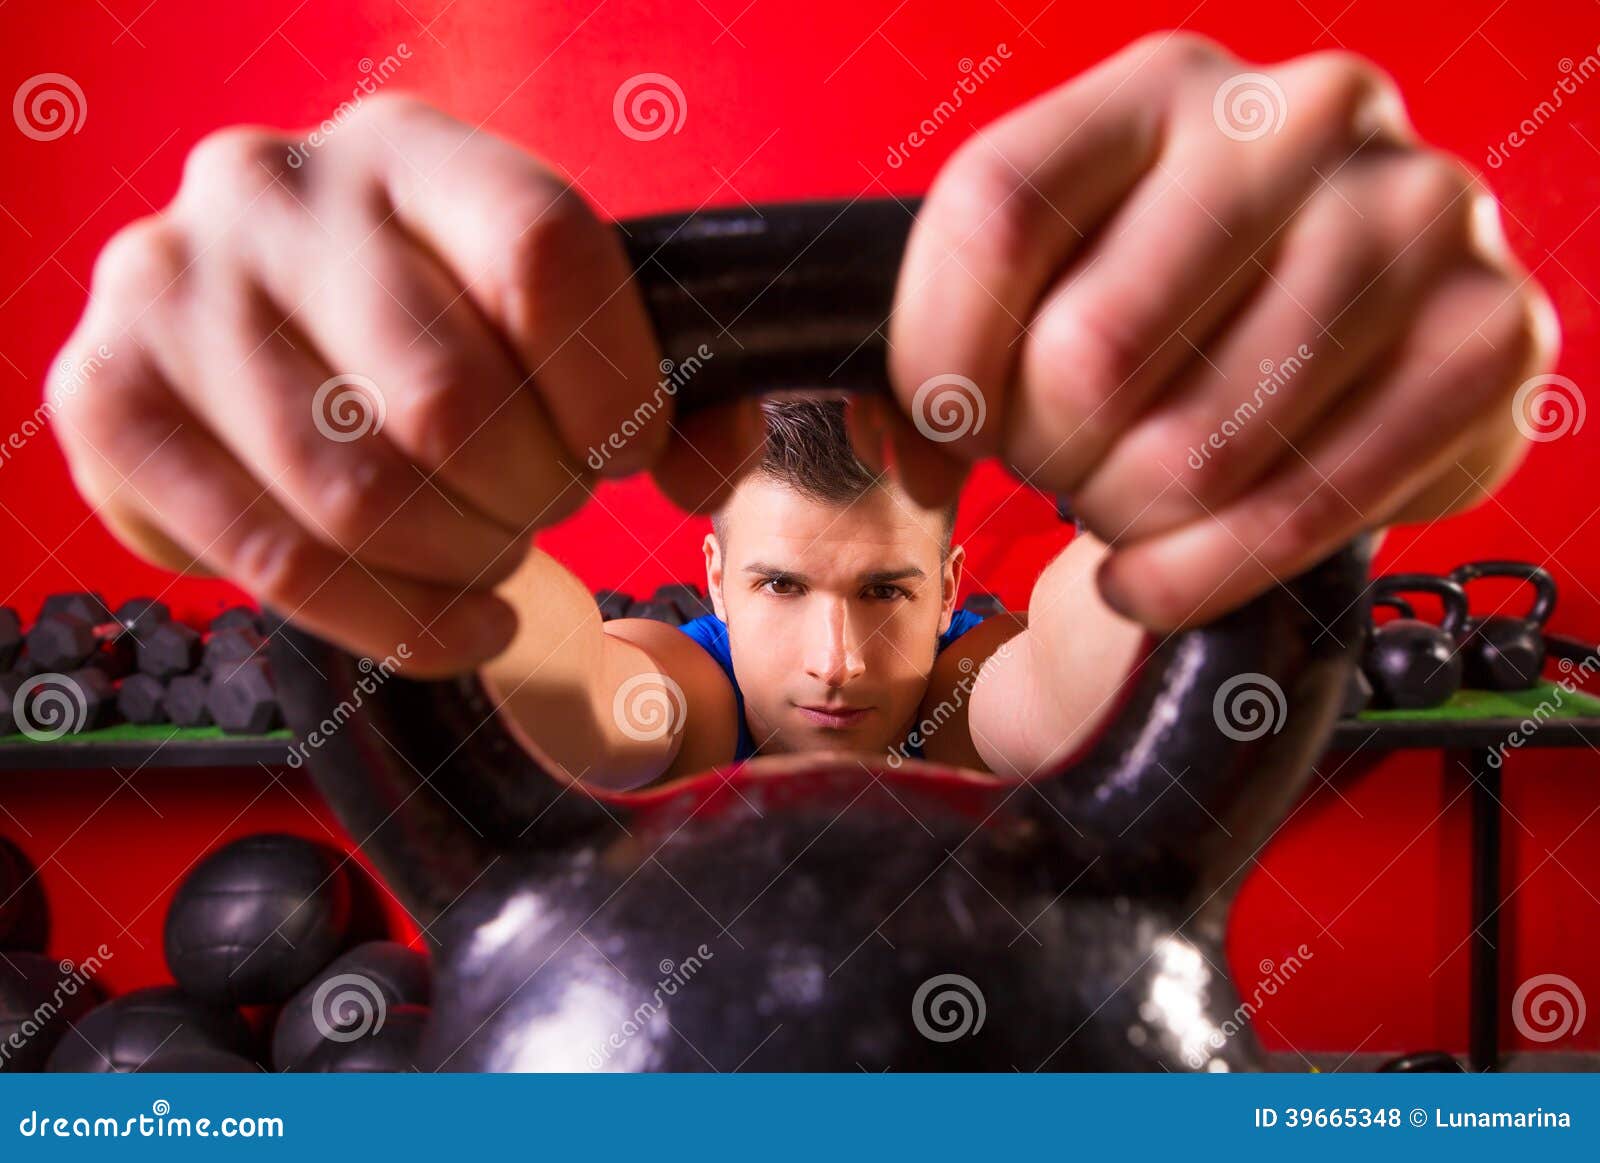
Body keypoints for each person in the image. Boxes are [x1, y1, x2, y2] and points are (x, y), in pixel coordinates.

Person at [47, 34, 1558, 789]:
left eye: (887, 591)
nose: (836, 664)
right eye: (780, 586)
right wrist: (358, 444)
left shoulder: (972, 697)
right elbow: (553, 660)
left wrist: (1281, 404)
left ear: (954, 589)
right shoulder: (684, 693)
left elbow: (1112, 636)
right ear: (710, 580)